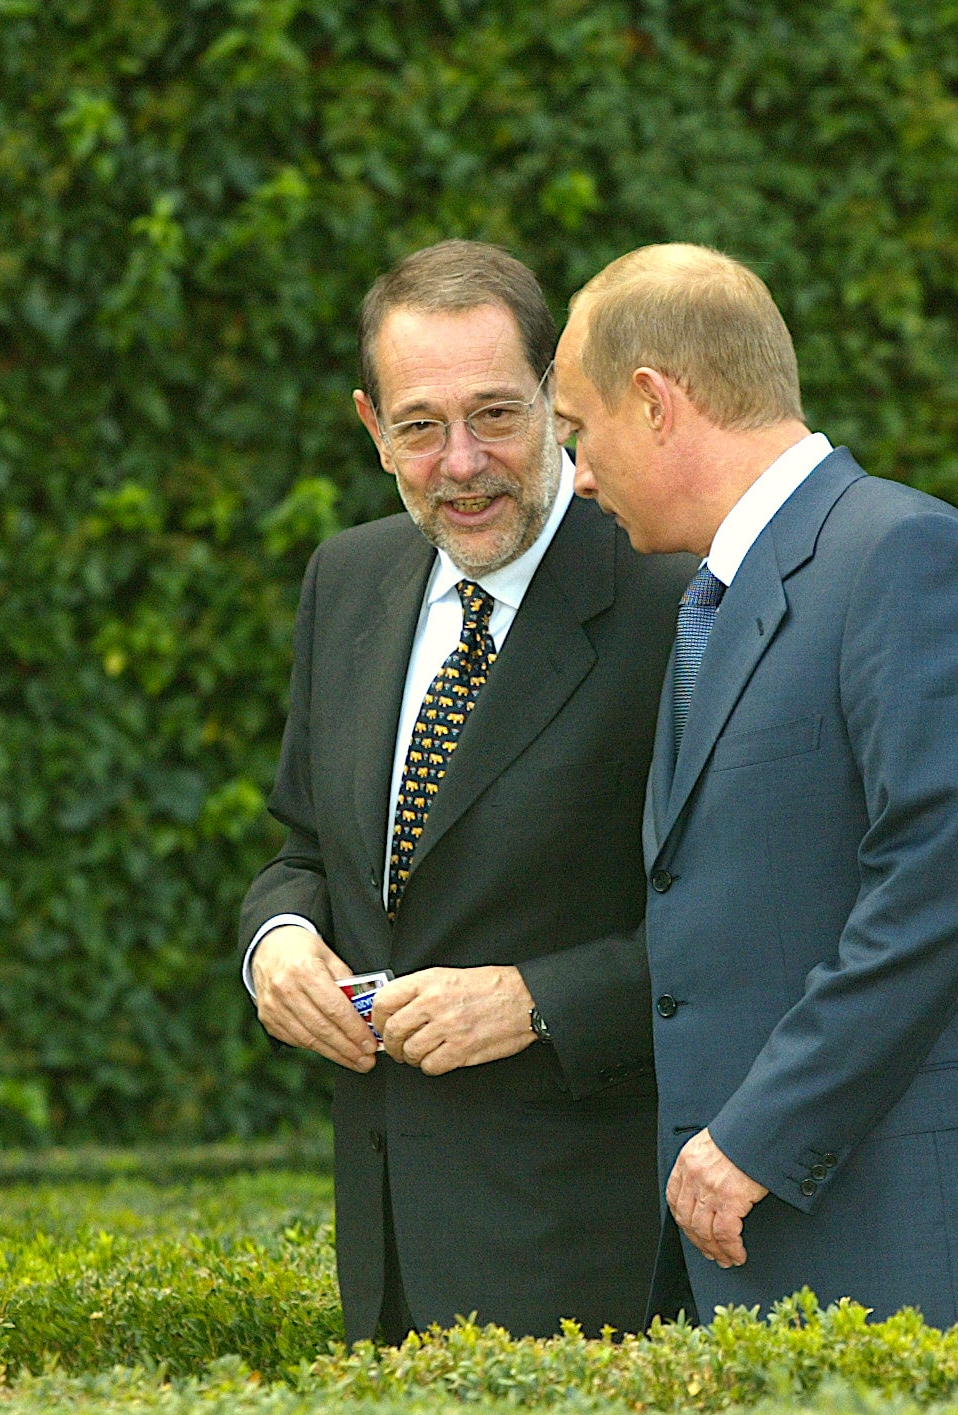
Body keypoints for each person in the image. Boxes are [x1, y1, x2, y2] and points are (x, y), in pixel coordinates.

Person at [548, 243, 958, 1326]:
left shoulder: (905, 554)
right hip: (761, 1240)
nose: (575, 474)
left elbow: (941, 890)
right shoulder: (710, 597)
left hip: (902, 1236)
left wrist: (754, 1135)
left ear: (654, 401)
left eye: (578, 433)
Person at [239, 241, 692, 1342]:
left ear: (556, 399)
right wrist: (279, 942)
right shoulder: (343, 582)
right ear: (368, 424)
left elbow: (751, 923)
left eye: (495, 415)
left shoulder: (675, 598)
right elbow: (304, 849)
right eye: (418, 426)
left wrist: (538, 999)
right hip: (385, 1259)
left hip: (595, 1254)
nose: (460, 462)